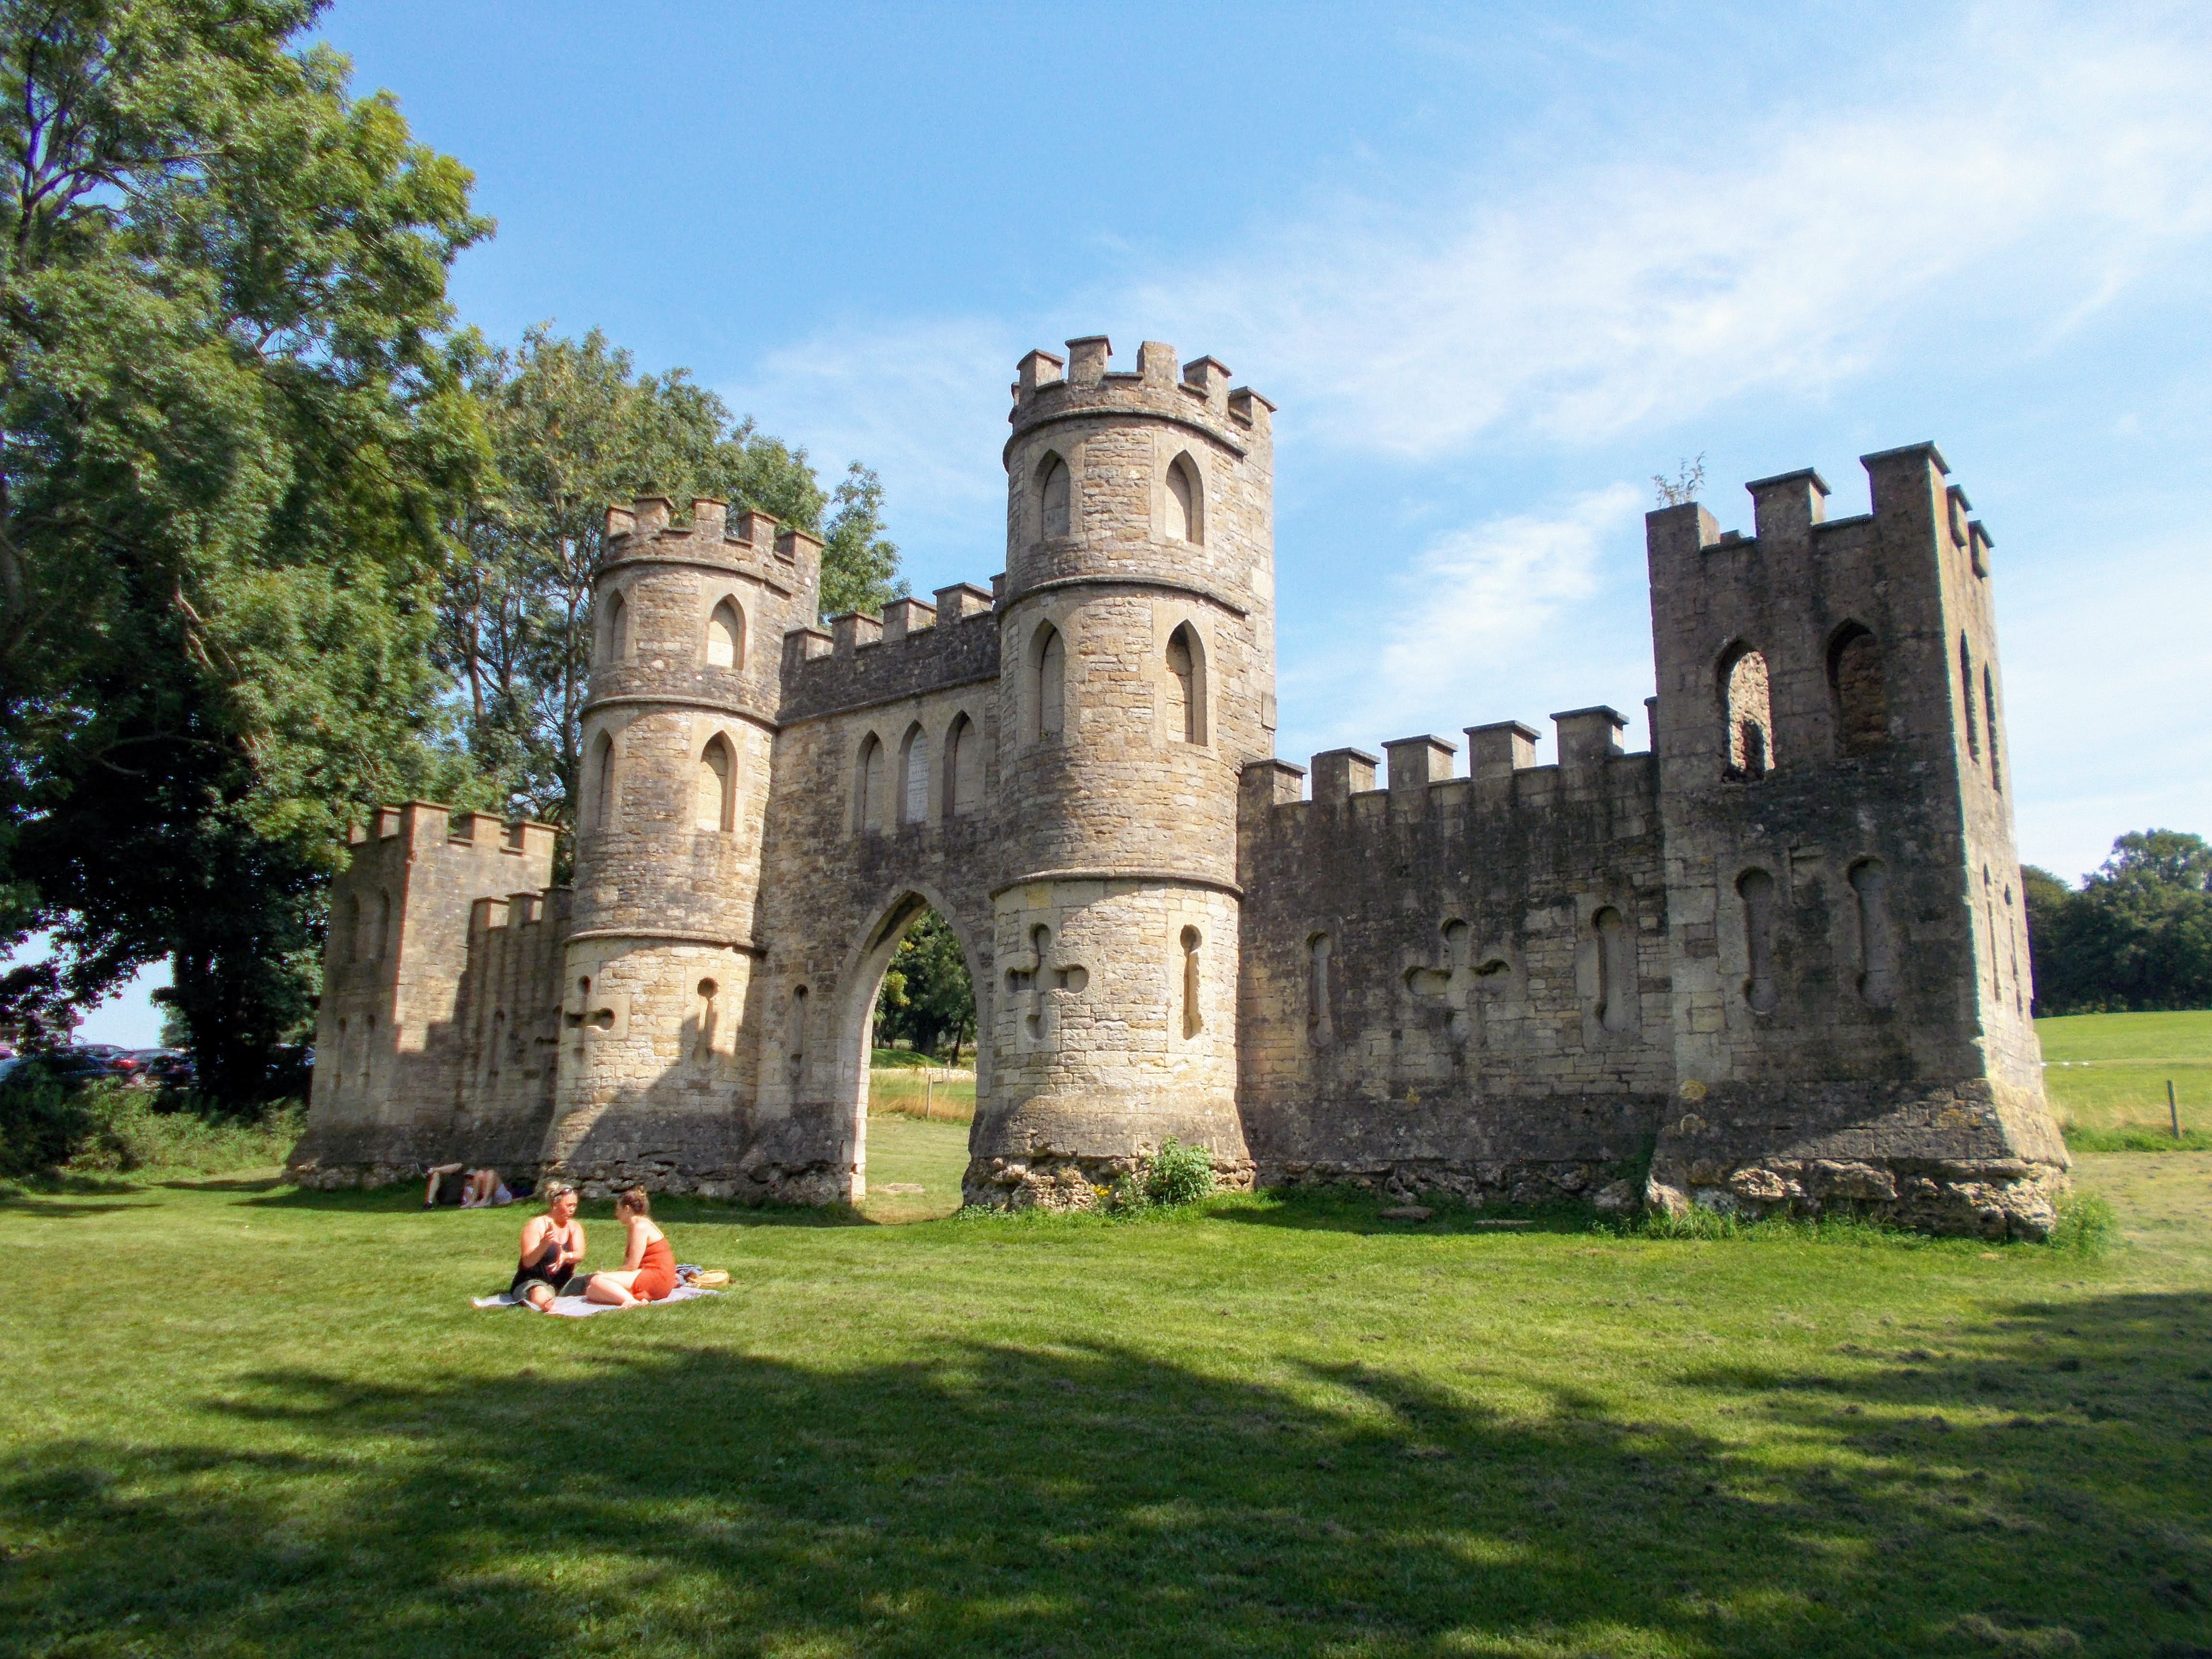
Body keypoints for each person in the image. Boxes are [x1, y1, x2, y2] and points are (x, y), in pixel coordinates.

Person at [582, 1186, 677, 1306]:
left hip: (656, 1276)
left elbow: (632, 1265)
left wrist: (609, 1276)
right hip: (654, 1277)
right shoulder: (640, 1225)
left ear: (627, 1209)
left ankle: (632, 1302)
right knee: (592, 1291)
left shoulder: (640, 1227)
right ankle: (635, 1297)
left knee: (598, 1281)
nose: (616, 1214)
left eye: (618, 1210)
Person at [508, 1183, 585, 1311]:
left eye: (575, 1205)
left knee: (599, 1281)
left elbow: (580, 1254)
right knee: (543, 1297)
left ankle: (626, 1301)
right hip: (534, 1282)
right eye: (568, 1205)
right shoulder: (536, 1225)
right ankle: (546, 1302)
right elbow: (528, 1262)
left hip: (564, 1282)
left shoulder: (574, 1227)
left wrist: (566, 1256)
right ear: (554, 1204)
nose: (573, 1209)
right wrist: (544, 1244)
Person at [423, 1163, 513, 1208]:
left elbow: (459, 1166)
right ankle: (429, 1203)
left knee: (490, 1173)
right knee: (436, 1174)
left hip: (493, 1194)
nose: (468, 1179)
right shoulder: (464, 1189)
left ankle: (431, 1170)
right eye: (467, 1177)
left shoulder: (478, 1183)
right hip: (482, 1196)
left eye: (471, 1177)